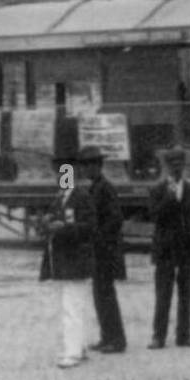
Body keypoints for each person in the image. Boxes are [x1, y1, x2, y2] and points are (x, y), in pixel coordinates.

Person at [38, 160, 97, 368]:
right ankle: (78, 346)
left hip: (75, 261)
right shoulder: (59, 198)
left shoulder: (81, 197)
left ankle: (72, 352)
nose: (61, 178)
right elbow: (47, 221)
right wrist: (45, 222)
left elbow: (90, 227)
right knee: (72, 306)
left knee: (72, 308)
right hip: (62, 263)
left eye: (65, 174)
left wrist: (63, 228)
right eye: (59, 174)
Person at [148, 146, 190, 349]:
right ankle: (158, 336)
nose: (177, 167)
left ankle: (184, 335)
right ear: (168, 166)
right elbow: (155, 216)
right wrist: (169, 198)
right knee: (163, 294)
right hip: (165, 251)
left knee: (185, 294)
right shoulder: (158, 190)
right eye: (173, 164)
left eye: (180, 163)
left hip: (186, 250)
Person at [80, 146, 127, 354]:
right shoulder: (96, 187)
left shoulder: (105, 188)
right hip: (99, 252)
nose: (85, 170)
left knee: (106, 296)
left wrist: (99, 238)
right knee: (100, 296)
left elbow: (115, 219)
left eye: (89, 166)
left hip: (105, 252)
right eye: (84, 166)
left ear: (97, 166)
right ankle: (106, 336)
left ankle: (116, 340)